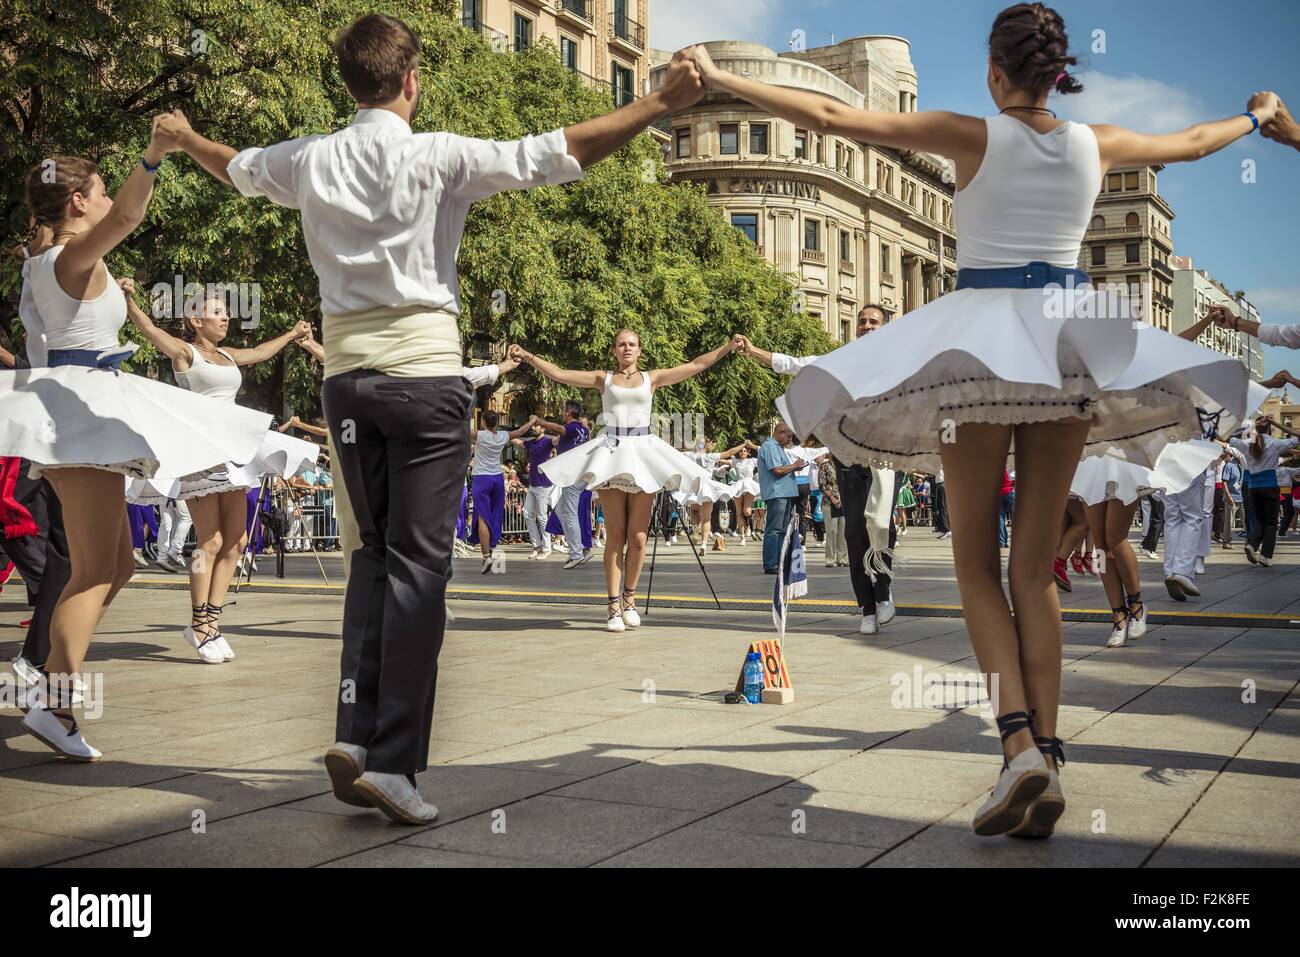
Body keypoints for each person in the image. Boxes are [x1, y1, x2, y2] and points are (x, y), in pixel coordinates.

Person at [683, 3, 1262, 838]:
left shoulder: (973, 135)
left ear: (996, 73)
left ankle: (1019, 745)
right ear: (1056, 73)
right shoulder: (1095, 142)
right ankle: (1051, 756)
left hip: (981, 351)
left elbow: (835, 115)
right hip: (1066, 349)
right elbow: (1196, 141)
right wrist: (1257, 116)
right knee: (1035, 572)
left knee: (973, 565)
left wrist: (722, 77)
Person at [152, 13, 708, 821]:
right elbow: (557, 152)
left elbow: (231, 168)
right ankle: (395, 762)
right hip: (422, 375)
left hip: (346, 383)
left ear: (347, 84)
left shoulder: (307, 159)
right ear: (411, 81)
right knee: (419, 567)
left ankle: (355, 728)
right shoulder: (439, 153)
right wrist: (657, 103)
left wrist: (182, 133)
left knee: (372, 555)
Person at [2, 140, 268, 761]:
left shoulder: (45, 258)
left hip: (77, 414)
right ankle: (55, 703)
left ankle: (50, 694)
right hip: (81, 420)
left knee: (114, 566)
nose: (104, 198)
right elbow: (125, 217)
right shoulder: (70, 254)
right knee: (92, 569)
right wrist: (152, 158)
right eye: (97, 189)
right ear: (77, 201)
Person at [122, 283, 317, 662]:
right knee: (208, 543)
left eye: (227, 311)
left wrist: (293, 335)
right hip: (201, 452)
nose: (226, 316)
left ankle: (212, 619)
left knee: (237, 542)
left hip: (233, 453)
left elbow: (260, 353)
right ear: (196, 320)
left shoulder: (227, 355)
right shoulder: (186, 353)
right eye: (216, 312)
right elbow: (148, 329)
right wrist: (128, 300)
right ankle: (198, 623)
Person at [513, 331, 736, 631]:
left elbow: (696, 364)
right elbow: (561, 374)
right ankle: (613, 606)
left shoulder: (652, 378)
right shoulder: (602, 378)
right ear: (614, 351)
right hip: (612, 454)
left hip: (644, 454)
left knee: (639, 536)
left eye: (632, 344)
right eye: (622, 344)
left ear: (639, 350)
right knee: (616, 535)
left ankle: (630, 598)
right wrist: (528, 356)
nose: (627, 348)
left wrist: (728, 346)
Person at [467, 410, 535, 572]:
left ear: (483, 422)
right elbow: (520, 431)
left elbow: (460, 430)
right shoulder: (502, 436)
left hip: (481, 479)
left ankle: (486, 557)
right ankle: (490, 546)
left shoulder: (480, 435)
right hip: (497, 478)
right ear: (496, 422)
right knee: (495, 513)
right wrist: (532, 421)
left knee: (482, 516)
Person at [1230, 415, 1300, 566]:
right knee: (1272, 522)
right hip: (1270, 486)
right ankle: (1265, 556)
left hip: (1253, 487)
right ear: (1269, 428)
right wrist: (1275, 422)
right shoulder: (1276, 443)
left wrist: (1250, 425)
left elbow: (1231, 437)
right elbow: (1298, 435)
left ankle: (1252, 544)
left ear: (1255, 428)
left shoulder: (1246, 443)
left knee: (1261, 519)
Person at [535, 401, 595, 569]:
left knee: (569, 514)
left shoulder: (573, 428)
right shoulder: (584, 429)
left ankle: (577, 552)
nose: (562, 413)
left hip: (573, 476)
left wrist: (540, 422)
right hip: (580, 475)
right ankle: (579, 549)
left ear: (568, 413)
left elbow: (560, 429)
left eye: (563, 411)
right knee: (562, 511)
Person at [756, 422, 805, 574]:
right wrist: (795, 465)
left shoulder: (778, 448)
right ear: (779, 433)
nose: (790, 439)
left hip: (784, 492)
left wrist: (795, 466)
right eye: (788, 436)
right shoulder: (770, 447)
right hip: (777, 493)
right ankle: (771, 563)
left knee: (782, 530)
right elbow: (777, 469)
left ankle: (778, 562)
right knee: (774, 530)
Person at [521, 424, 556, 560]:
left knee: (542, 516)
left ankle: (547, 548)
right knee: (527, 514)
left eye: (536, 426)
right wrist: (503, 435)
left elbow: (558, 438)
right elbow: (517, 441)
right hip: (533, 485)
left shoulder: (547, 441)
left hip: (543, 485)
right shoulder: (531, 443)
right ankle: (537, 546)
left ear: (543, 429)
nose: (533, 428)